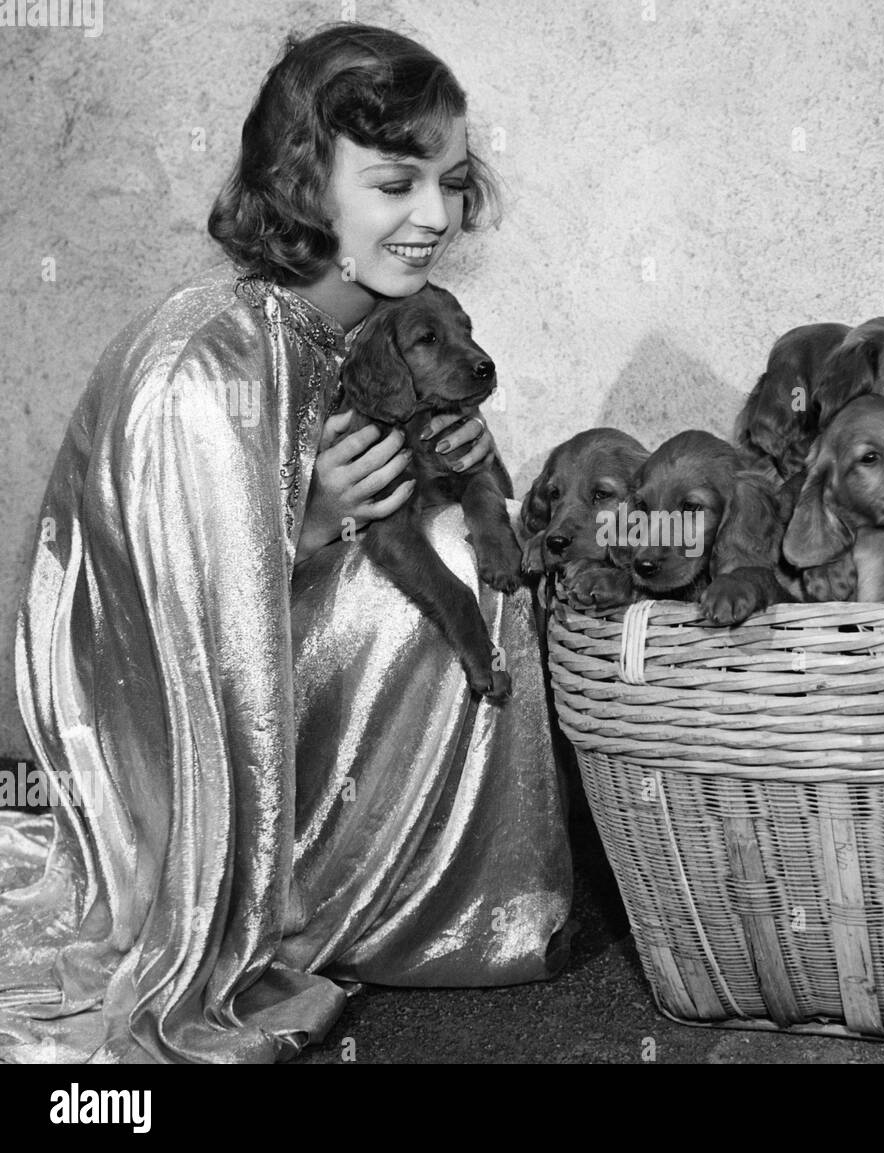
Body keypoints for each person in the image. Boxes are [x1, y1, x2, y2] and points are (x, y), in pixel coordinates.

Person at [0, 23, 572, 1064]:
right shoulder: (209, 365)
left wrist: (454, 469)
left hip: (273, 656)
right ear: (306, 184)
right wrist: (311, 523)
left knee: (471, 543)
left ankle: (429, 894)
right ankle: (293, 900)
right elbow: (177, 628)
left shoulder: (348, 331)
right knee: (446, 563)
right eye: (395, 183)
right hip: (162, 743)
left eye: (448, 182)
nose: (434, 216)